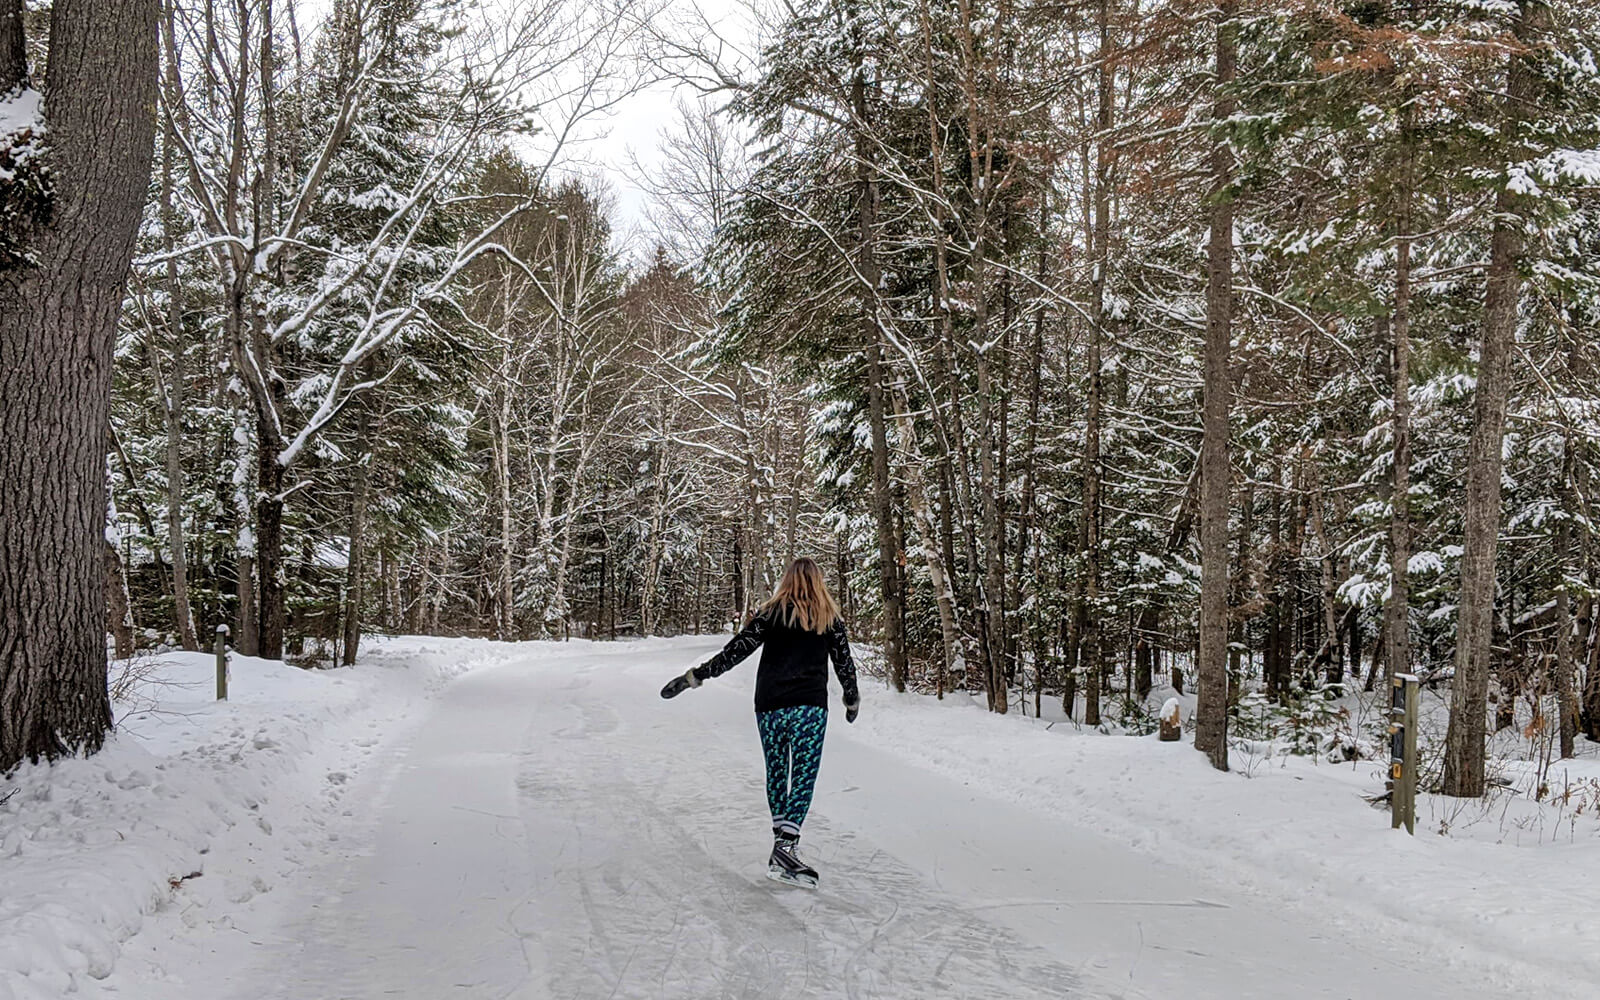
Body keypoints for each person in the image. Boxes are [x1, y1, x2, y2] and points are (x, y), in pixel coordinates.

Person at [660, 557, 859, 888]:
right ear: (818, 581)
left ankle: (781, 847)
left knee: (778, 772)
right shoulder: (829, 618)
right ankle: (786, 846)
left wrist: (695, 676)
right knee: (804, 776)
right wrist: (851, 698)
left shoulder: (771, 614)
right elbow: (844, 663)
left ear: (787, 580)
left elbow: (735, 650)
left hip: (770, 705)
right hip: (809, 708)